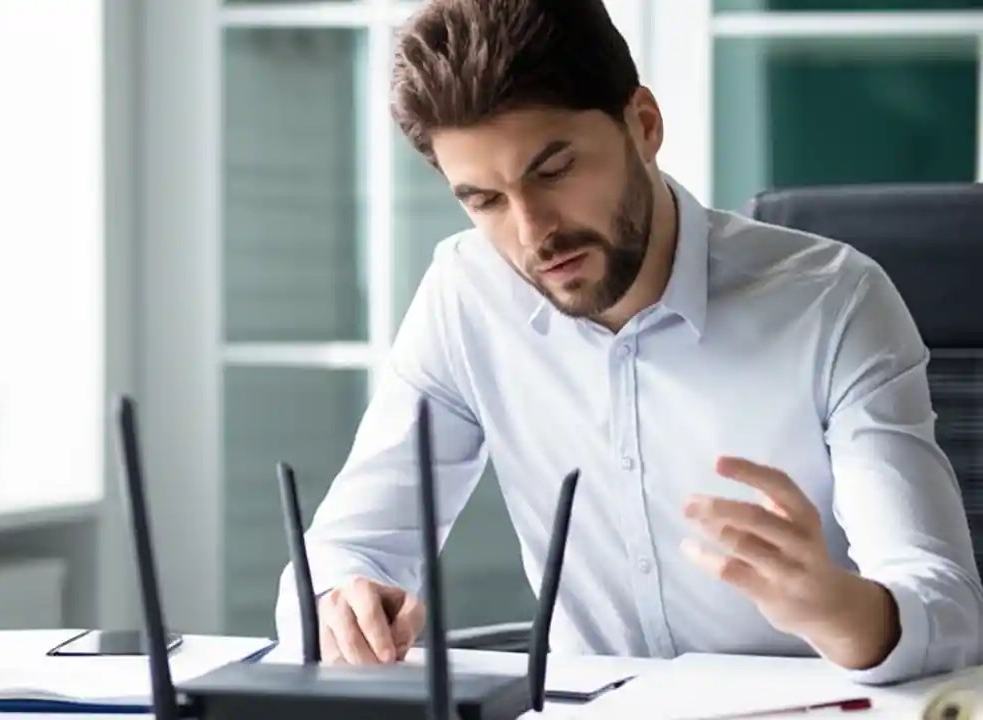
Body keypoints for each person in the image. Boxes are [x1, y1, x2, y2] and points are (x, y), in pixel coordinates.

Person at [272, 0, 983, 684]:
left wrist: (836, 609)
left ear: (642, 124)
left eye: (553, 172)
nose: (531, 233)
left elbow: (946, 604)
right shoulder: (466, 294)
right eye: (483, 199)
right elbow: (352, 548)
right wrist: (341, 599)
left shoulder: (835, 302)